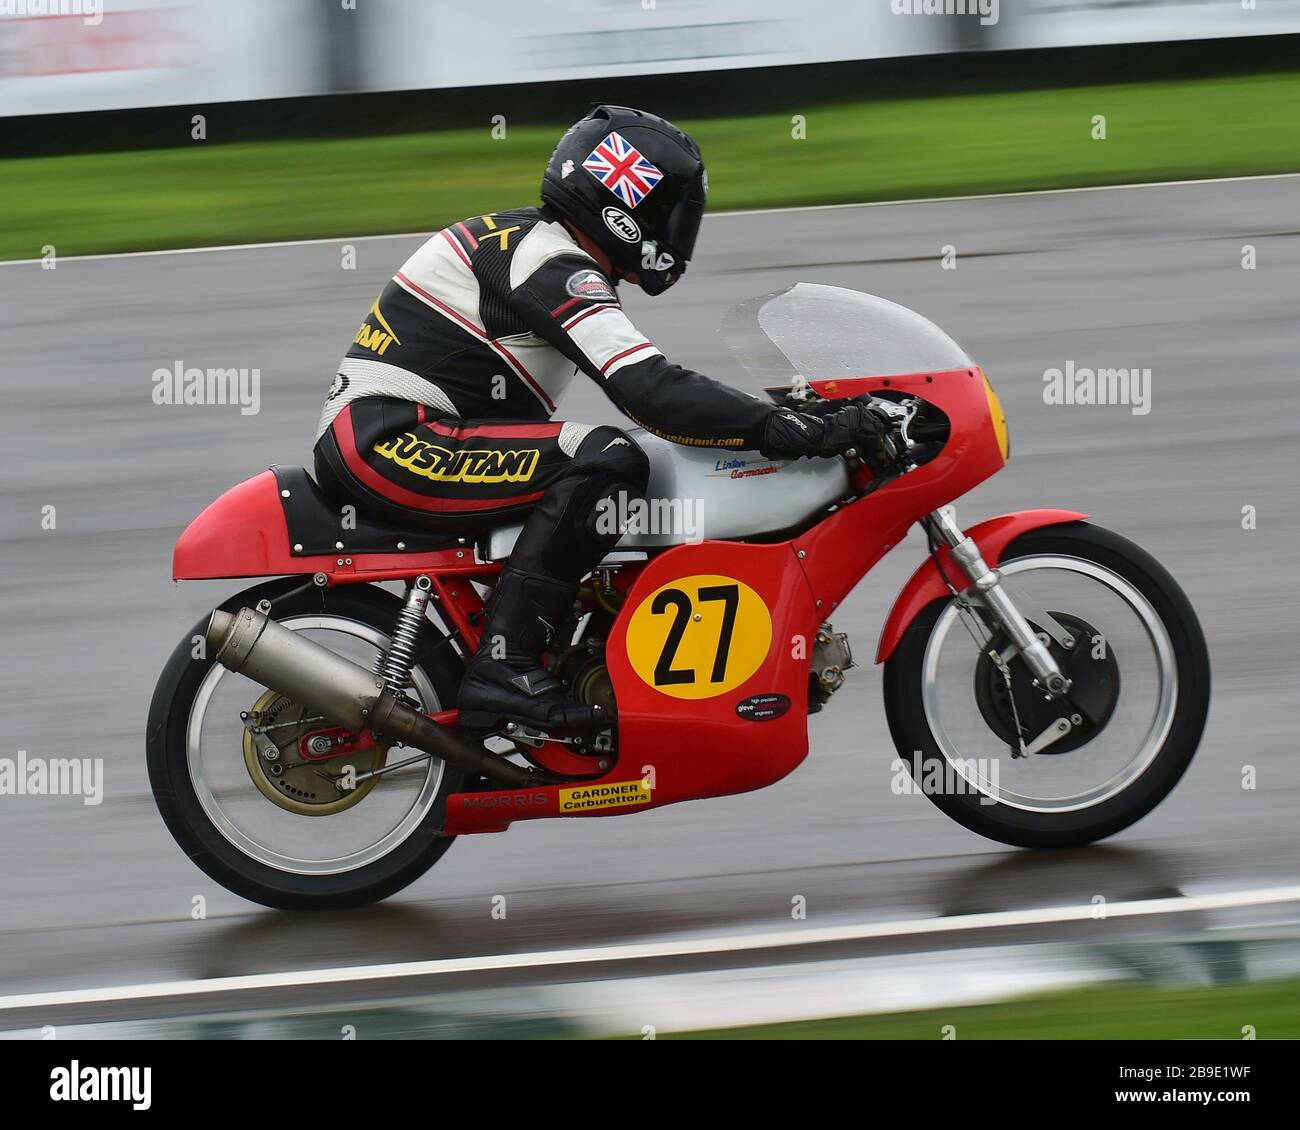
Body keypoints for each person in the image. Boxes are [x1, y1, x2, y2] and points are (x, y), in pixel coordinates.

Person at [313, 104, 892, 732]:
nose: (678, 231)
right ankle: (503, 670)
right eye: (671, 213)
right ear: (625, 204)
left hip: (397, 435)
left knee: (618, 462)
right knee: (609, 457)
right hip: (389, 442)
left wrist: (772, 413)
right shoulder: (547, 261)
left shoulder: (537, 248)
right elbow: (648, 388)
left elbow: (654, 383)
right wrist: (784, 425)